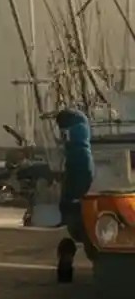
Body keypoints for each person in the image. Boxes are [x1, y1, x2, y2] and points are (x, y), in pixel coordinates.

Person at [55, 107, 95, 283]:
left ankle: (67, 259)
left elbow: (80, 177)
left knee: (82, 234)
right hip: (78, 201)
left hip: (76, 202)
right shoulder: (77, 151)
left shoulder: (77, 153)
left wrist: (70, 197)